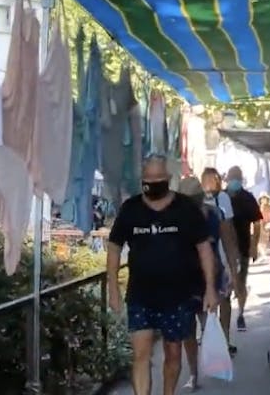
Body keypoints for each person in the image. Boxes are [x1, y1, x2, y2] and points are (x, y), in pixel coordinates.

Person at [108, 157, 219, 395]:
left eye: (158, 181)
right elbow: (114, 247)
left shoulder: (186, 209)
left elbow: (204, 248)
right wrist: (113, 289)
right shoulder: (131, 209)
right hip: (140, 294)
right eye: (148, 181)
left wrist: (210, 287)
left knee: (173, 352)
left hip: (178, 295)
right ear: (142, 181)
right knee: (140, 355)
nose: (153, 186)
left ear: (168, 180)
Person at [175, 177, 235, 390]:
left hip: (208, 274)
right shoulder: (176, 218)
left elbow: (227, 242)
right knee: (188, 328)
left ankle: (211, 363)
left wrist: (231, 271)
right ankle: (194, 372)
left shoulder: (213, 215)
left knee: (207, 320)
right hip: (184, 277)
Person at [200, 167, 237, 352]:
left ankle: (224, 338)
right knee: (204, 301)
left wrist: (232, 264)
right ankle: (209, 339)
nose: (209, 182)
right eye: (206, 179)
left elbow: (228, 230)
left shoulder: (222, 199)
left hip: (220, 257)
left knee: (224, 299)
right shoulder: (197, 201)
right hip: (201, 261)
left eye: (213, 179)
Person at [222, 165, 263, 332]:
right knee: (225, 286)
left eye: (236, 178)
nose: (234, 181)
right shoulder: (221, 197)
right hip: (223, 248)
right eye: (232, 178)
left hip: (243, 246)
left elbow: (257, 222)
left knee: (240, 283)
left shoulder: (248, 198)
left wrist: (254, 245)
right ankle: (224, 320)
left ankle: (240, 313)